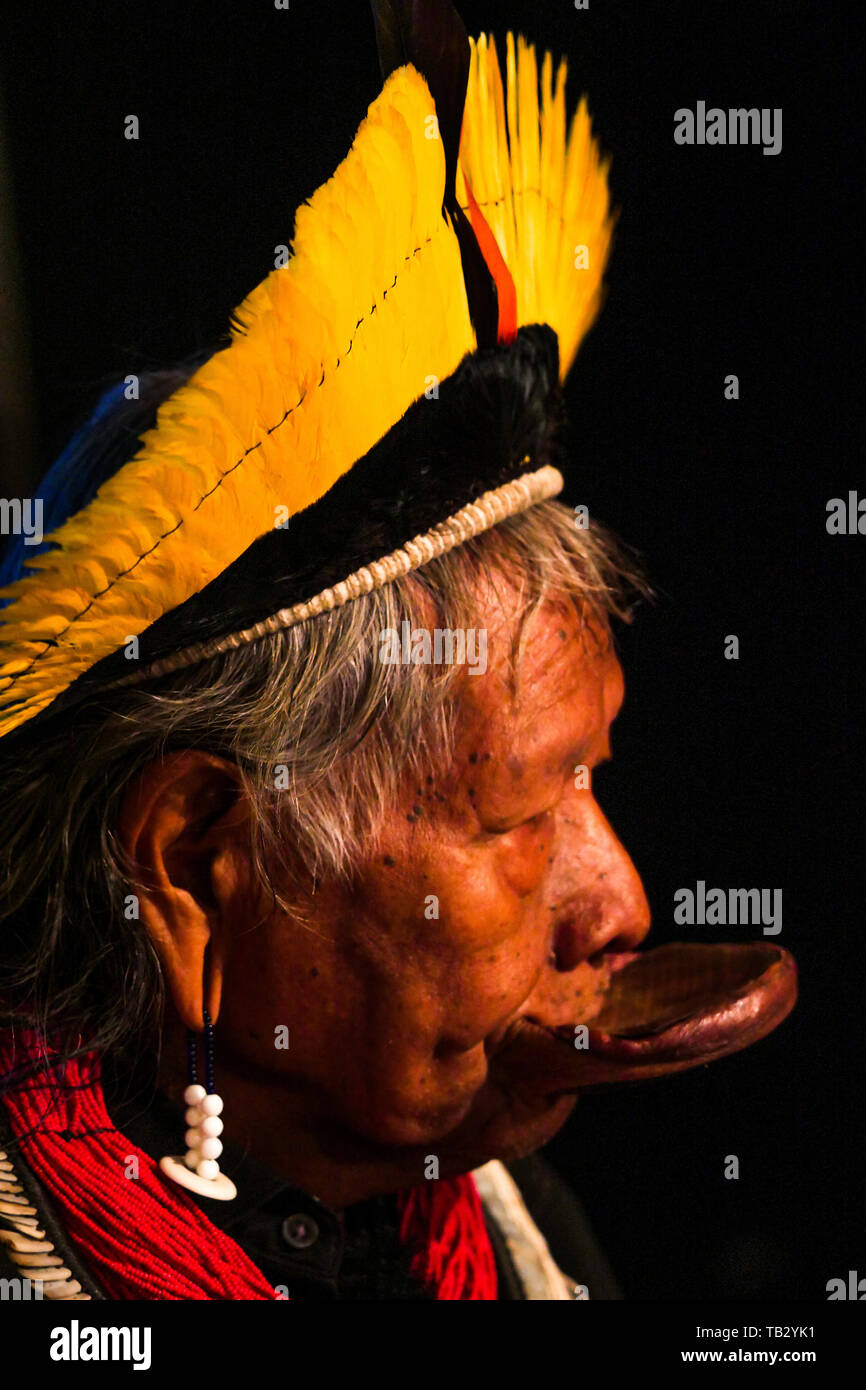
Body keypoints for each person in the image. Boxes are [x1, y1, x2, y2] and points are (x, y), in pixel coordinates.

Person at [0, 0, 795, 1301]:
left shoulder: (503, 1225)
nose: (624, 904)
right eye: (518, 809)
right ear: (200, 857)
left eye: (589, 775)